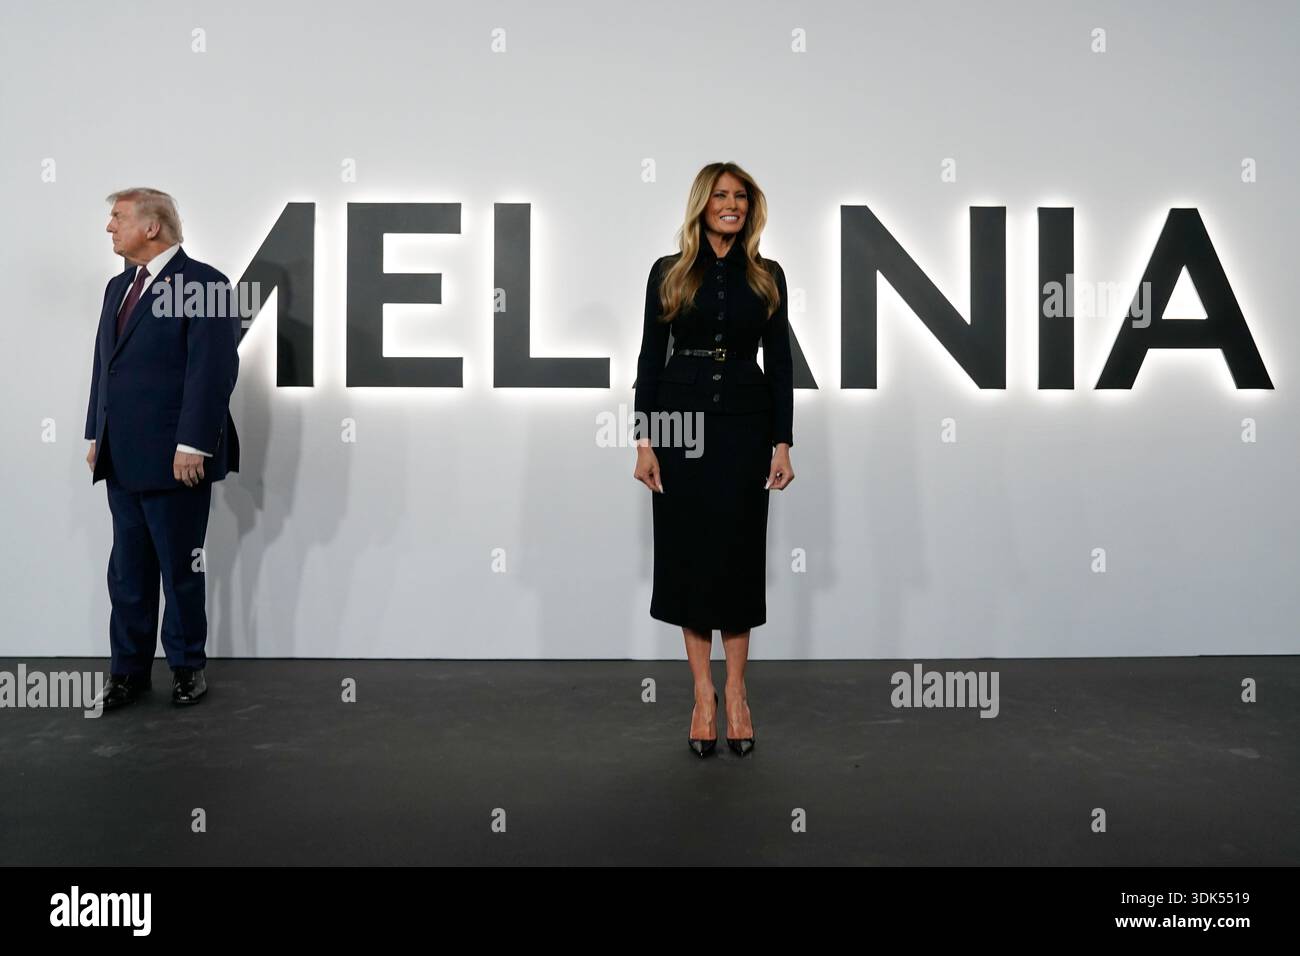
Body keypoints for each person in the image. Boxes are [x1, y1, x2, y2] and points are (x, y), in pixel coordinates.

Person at [633, 162, 795, 757]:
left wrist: (783, 441)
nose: (732, 205)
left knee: (737, 556)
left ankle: (738, 692)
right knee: (689, 558)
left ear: (750, 209)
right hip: (680, 429)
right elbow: (651, 359)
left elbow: (780, 365)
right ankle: (703, 695)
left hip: (746, 431)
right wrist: (645, 441)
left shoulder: (767, 275)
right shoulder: (668, 272)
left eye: (741, 198)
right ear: (702, 204)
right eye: (721, 196)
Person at [84, 188, 240, 709]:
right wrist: (94, 433)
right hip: (121, 455)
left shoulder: (207, 284)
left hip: (178, 459)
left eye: (118, 217)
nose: (110, 227)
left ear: (152, 227)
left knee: (181, 568)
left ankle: (186, 668)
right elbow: (104, 366)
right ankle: (127, 672)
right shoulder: (117, 288)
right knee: (127, 571)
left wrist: (194, 443)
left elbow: (212, 373)